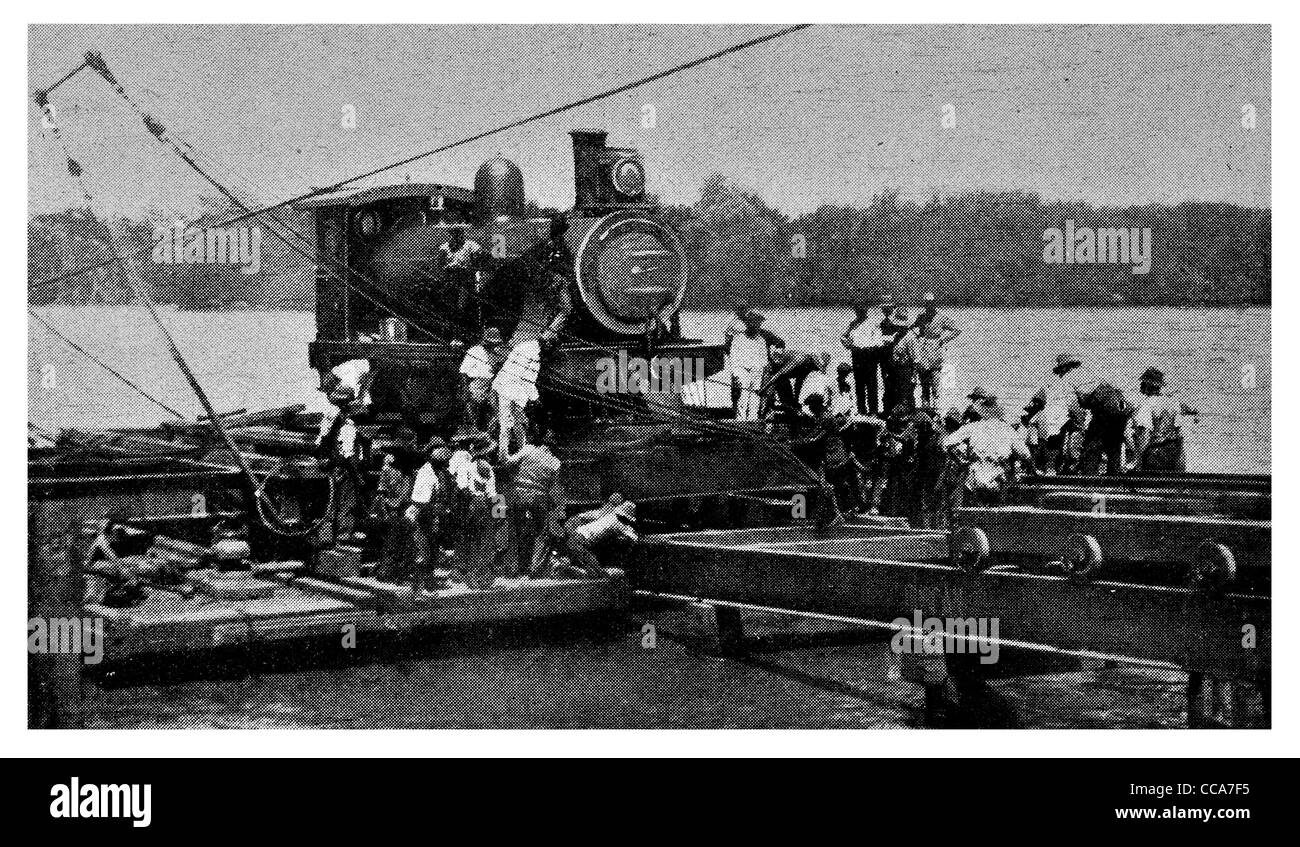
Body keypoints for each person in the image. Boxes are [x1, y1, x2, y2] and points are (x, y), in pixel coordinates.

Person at [944, 395, 1038, 504]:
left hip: (975, 479)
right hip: (997, 479)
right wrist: (1034, 471)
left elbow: (946, 443)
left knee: (971, 515)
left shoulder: (973, 427)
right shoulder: (1007, 429)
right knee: (996, 515)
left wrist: (960, 460)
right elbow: (1026, 455)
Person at [499, 435, 563, 578]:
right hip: (539, 498)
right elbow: (553, 487)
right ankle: (535, 569)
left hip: (518, 494)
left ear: (542, 444)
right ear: (552, 448)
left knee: (515, 530)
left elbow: (508, 462)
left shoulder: (528, 450)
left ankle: (513, 569)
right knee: (541, 533)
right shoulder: (555, 462)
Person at [1024, 353, 1092, 475]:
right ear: (1066, 367)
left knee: (1053, 443)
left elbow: (1036, 401)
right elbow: (1078, 402)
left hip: (1055, 415)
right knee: (1063, 443)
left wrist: (1028, 416)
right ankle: (1064, 468)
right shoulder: (1068, 381)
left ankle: (1054, 468)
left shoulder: (1052, 382)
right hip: (1060, 414)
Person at [800, 394, 861, 515]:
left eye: (811, 405)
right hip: (830, 452)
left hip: (834, 452)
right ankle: (846, 507)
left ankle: (849, 506)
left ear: (817, 405)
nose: (810, 409)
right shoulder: (821, 415)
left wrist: (800, 442)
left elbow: (817, 437)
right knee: (834, 481)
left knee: (835, 480)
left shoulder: (826, 416)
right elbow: (815, 433)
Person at [1129, 366, 1195, 473]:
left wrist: (1138, 463)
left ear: (1147, 385)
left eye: (1142, 383)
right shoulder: (1173, 402)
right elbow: (1180, 435)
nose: (1140, 386)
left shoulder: (1146, 405)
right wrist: (1181, 464)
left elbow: (1145, 436)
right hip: (1173, 453)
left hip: (1155, 456)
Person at [493, 337, 542, 461]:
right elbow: (527, 380)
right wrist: (535, 398)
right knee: (510, 423)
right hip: (511, 390)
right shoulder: (533, 354)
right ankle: (506, 455)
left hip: (507, 387)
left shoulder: (524, 345)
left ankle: (513, 452)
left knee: (511, 423)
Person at [564, 501, 638, 578]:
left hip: (576, 535)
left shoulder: (609, 516)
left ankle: (569, 568)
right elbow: (634, 538)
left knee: (590, 566)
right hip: (581, 541)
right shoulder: (620, 525)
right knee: (598, 572)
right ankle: (573, 569)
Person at [729, 311, 781, 421]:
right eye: (751, 323)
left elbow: (764, 360)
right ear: (747, 324)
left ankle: (753, 419)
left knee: (756, 394)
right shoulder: (738, 339)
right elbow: (734, 359)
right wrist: (736, 375)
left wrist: (764, 371)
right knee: (745, 391)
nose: (754, 325)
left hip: (757, 370)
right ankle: (741, 419)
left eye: (757, 323)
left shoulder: (761, 340)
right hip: (741, 369)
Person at [912, 293, 960, 407]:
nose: (929, 306)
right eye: (927, 304)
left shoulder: (941, 317)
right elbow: (912, 327)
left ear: (934, 304)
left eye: (931, 303)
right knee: (923, 380)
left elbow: (956, 330)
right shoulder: (921, 317)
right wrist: (916, 337)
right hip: (922, 349)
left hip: (935, 350)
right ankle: (925, 405)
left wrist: (943, 340)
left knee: (935, 379)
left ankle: (936, 406)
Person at [762, 348, 827, 429]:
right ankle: (766, 416)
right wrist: (764, 388)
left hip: (783, 376)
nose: (814, 370)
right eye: (815, 367)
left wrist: (796, 400)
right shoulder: (799, 359)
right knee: (781, 397)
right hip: (779, 375)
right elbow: (779, 374)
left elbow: (798, 384)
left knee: (791, 404)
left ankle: (789, 425)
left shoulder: (807, 368)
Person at [440, 224, 486, 338]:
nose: (456, 236)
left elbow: (480, 257)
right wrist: (447, 268)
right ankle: (451, 333)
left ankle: (462, 333)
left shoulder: (471, 245)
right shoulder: (445, 247)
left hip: (465, 280)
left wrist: (474, 265)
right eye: (453, 234)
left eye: (458, 233)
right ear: (450, 235)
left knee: (461, 306)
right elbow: (440, 265)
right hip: (450, 279)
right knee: (450, 307)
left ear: (462, 234)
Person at [842, 303, 887, 415]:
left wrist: (872, 351)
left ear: (866, 310)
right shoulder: (853, 324)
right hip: (857, 355)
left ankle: (873, 411)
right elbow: (843, 337)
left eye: (861, 309)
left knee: (871, 384)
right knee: (859, 384)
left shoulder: (872, 323)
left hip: (869, 355)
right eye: (857, 309)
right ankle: (861, 410)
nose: (859, 312)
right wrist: (849, 346)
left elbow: (879, 342)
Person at [459, 327, 506, 430]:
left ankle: (493, 428)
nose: (494, 345)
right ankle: (478, 427)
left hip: (492, 383)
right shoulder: (475, 351)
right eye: (492, 343)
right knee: (476, 407)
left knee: (497, 407)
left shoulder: (496, 354)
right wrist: (465, 389)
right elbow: (463, 372)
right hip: (477, 383)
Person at [880, 306, 914, 413]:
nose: (900, 328)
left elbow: (914, 358)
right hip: (894, 369)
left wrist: (913, 376)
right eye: (898, 326)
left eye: (902, 326)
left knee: (905, 395)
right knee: (891, 393)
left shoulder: (909, 338)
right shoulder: (894, 337)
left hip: (905, 369)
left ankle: (906, 416)